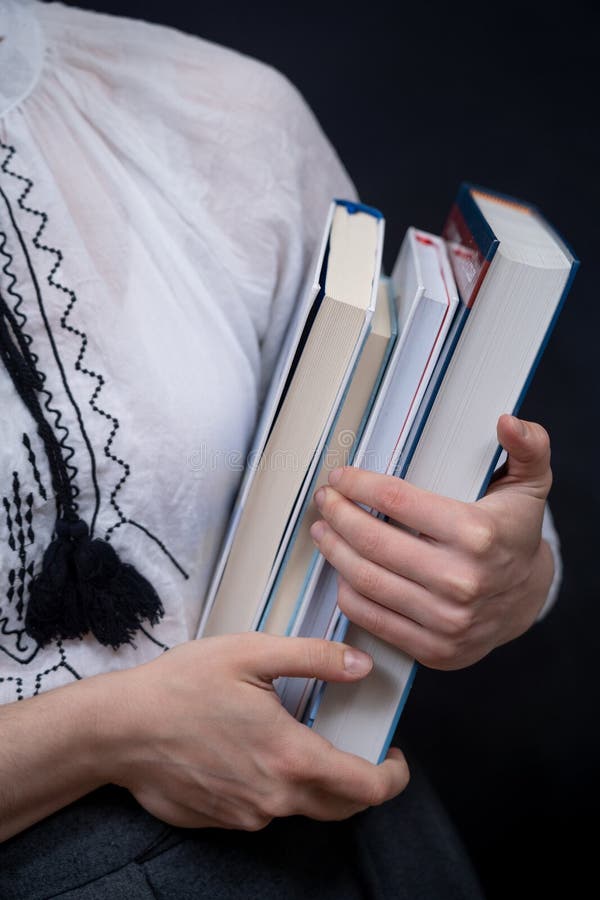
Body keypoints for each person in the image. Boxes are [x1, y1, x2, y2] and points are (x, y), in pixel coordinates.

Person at [0, 1, 561, 897]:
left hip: (345, 849)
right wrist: (108, 731)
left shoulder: (221, 111)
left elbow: (417, 461)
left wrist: (502, 576)